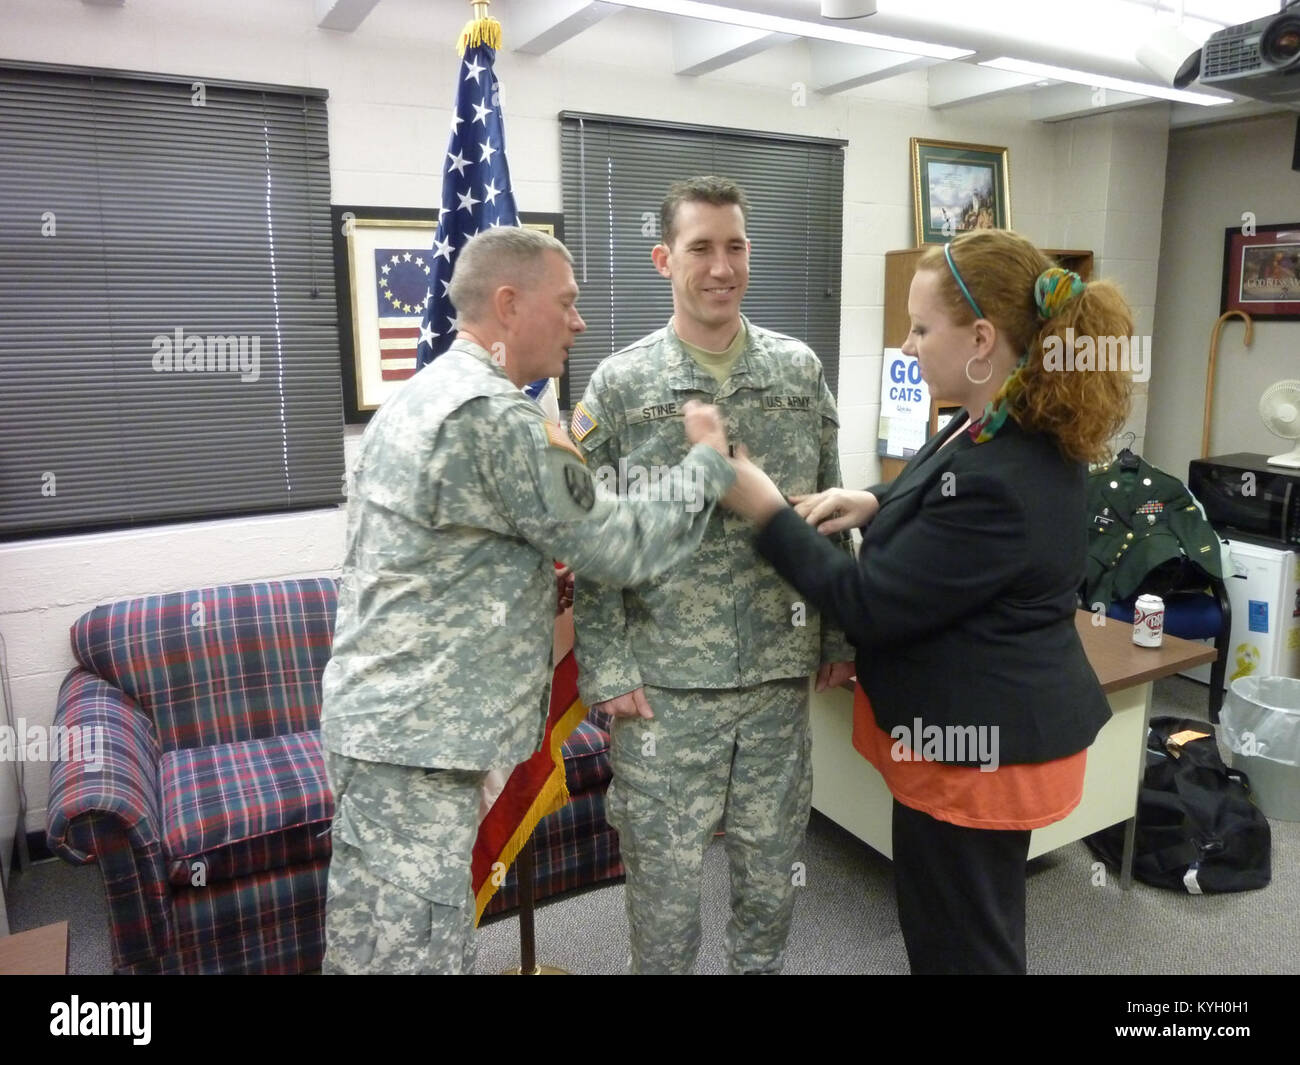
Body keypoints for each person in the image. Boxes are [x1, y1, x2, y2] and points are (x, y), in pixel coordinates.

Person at [710, 228, 1133, 974]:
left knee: (960, 945)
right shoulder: (989, 423)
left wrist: (768, 511)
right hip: (976, 732)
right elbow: (937, 494)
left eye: (919, 326)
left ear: (980, 336)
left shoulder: (1002, 471)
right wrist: (870, 500)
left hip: (981, 752)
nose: (905, 345)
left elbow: (866, 602)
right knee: (966, 922)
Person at [319, 226, 735, 975]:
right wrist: (706, 461)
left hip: (387, 732)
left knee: (371, 943)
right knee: (416, 956)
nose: (580, 322)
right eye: (568, 302)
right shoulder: (495, 417)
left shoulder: (422, 395)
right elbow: (622, 541)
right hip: (416, 746)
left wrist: (533, 584)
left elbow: (445, 561)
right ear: (509, 305)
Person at [570, 176, 855, 974]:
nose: (721, 267)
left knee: (771, 882)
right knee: (664, 898)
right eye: (701, 248)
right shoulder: (621, 388)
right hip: (664, 689)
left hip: (775, 676)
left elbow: (832, 507)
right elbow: (592, 539)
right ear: (666, 258)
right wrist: (608, 665)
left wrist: (840, 632)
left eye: (735, 247)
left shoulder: (797, 371)